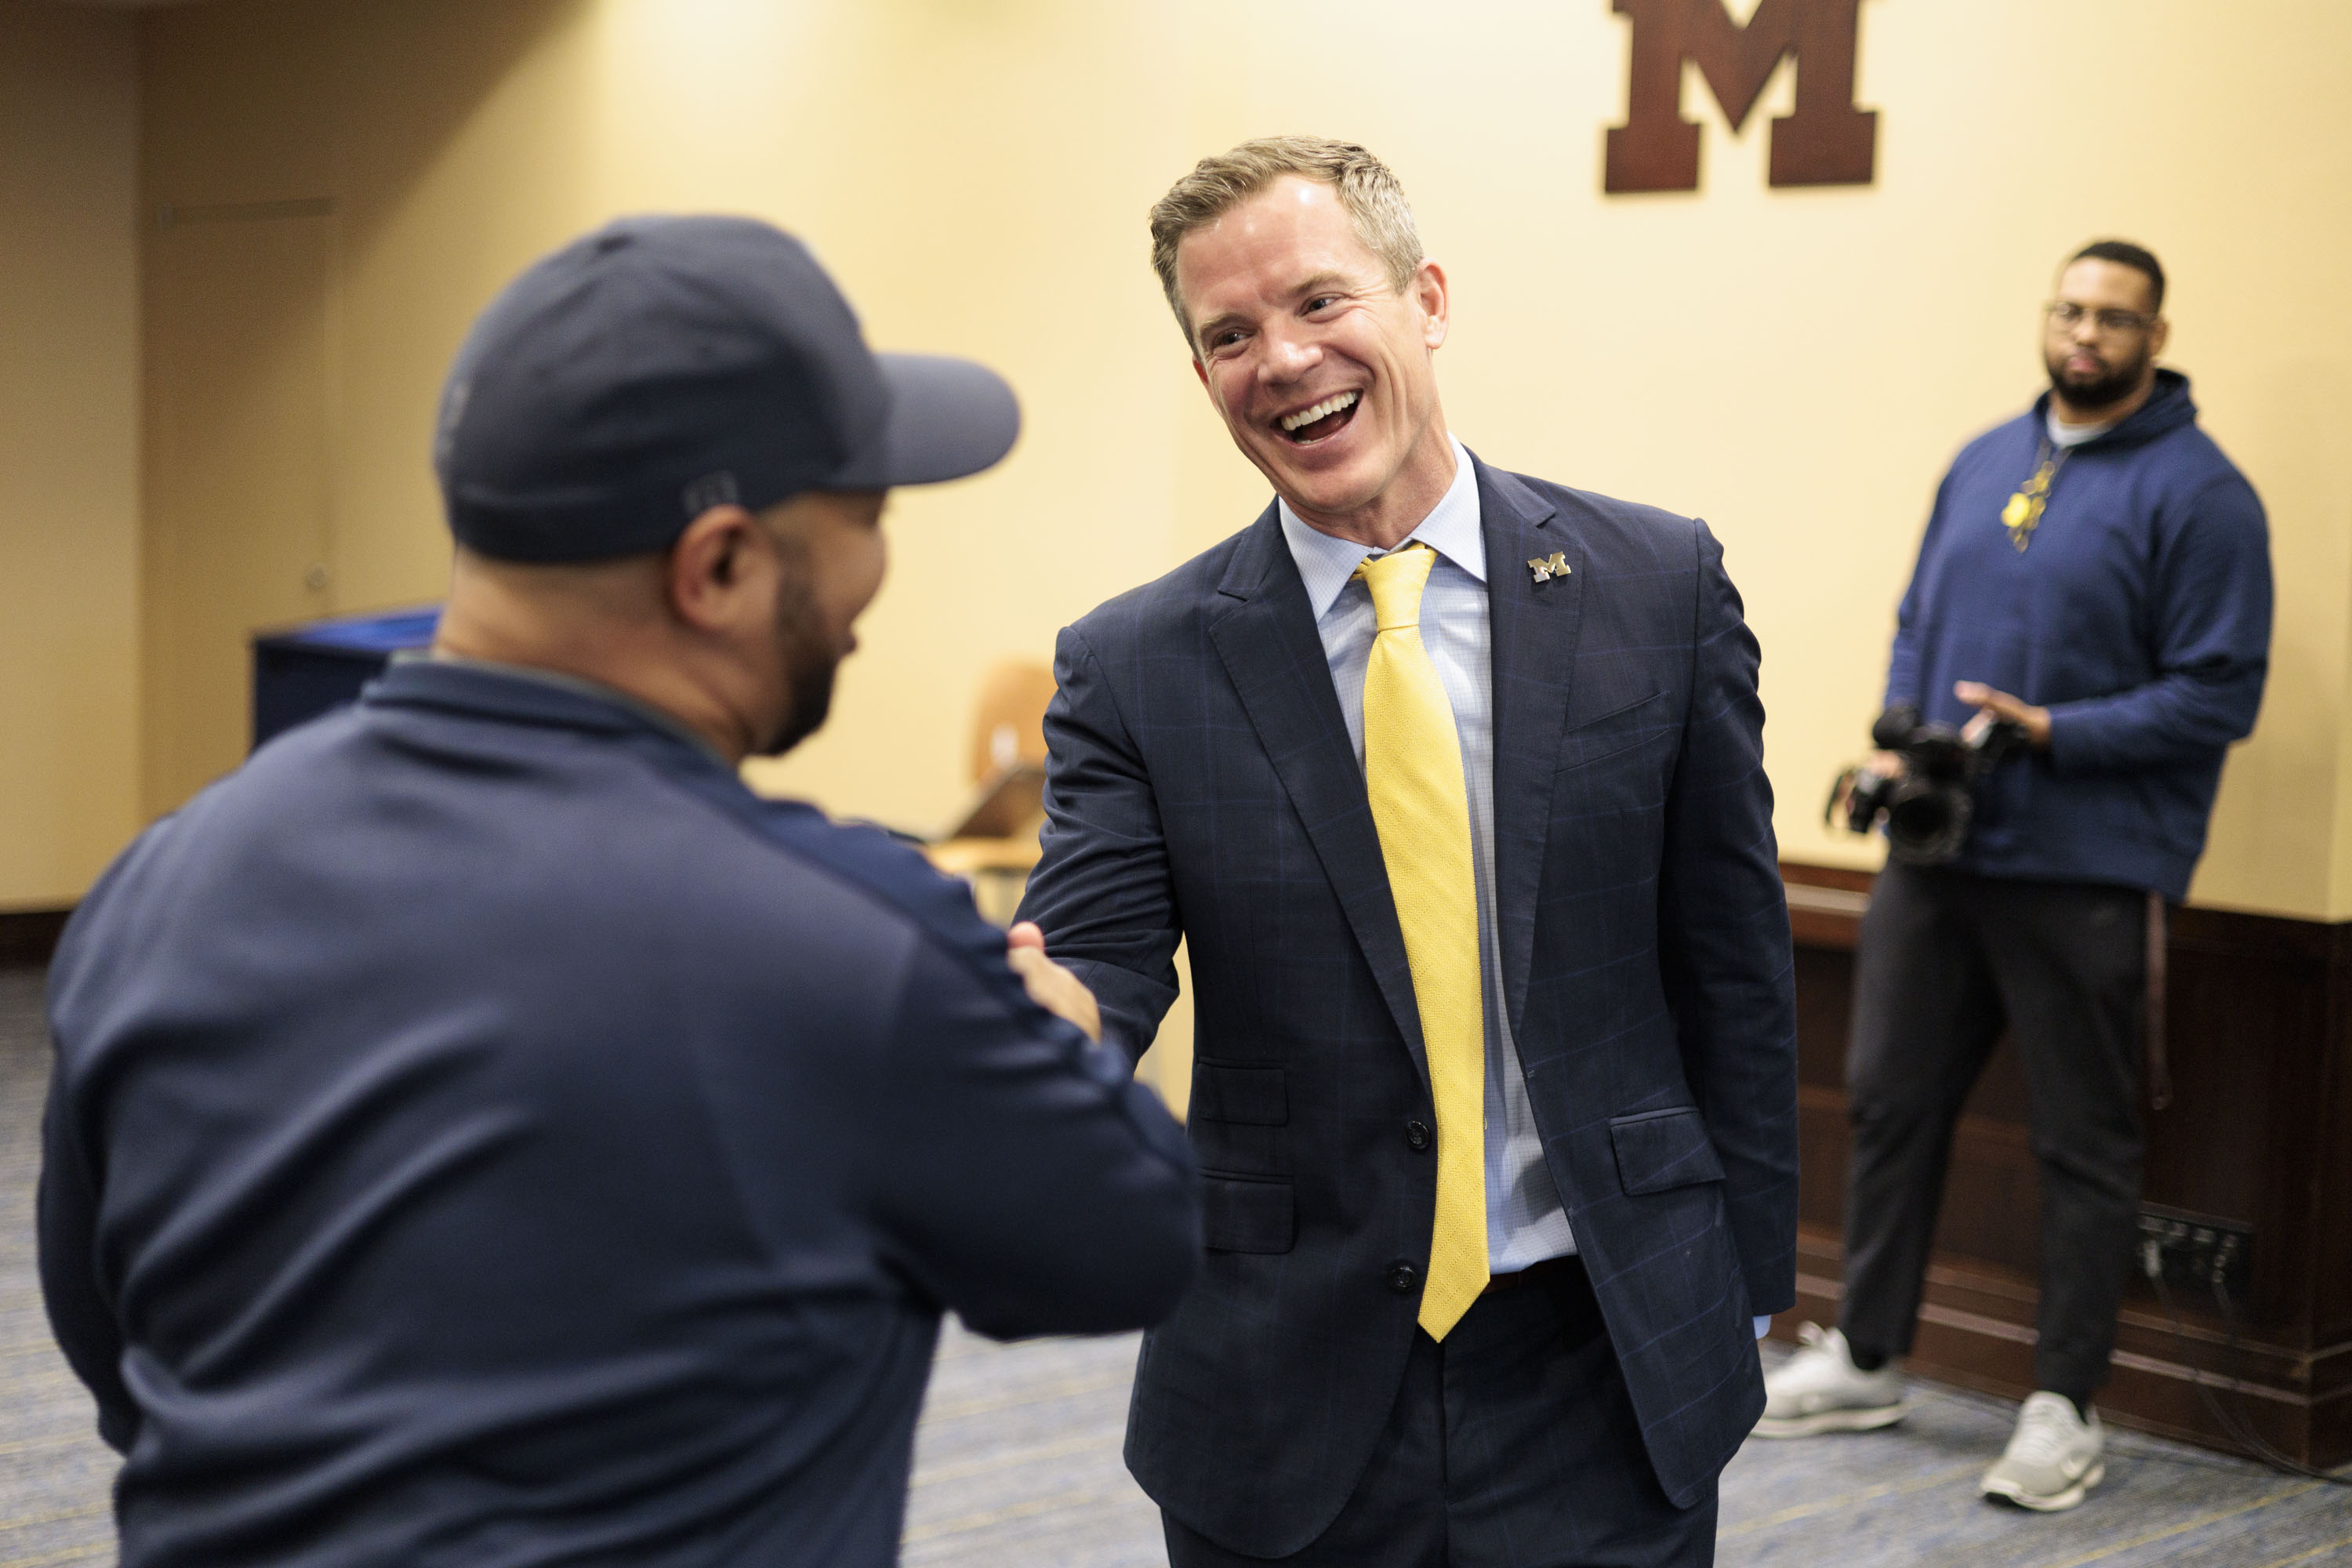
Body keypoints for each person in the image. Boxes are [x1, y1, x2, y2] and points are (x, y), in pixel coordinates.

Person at [38, 215, 1200, 1568]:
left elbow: (121, 1358)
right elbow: (1128, 1242)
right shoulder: (853, 943)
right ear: (716, 568)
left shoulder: (163, 881)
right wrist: (1055, 1033)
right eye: (866, 519)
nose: (874, 583)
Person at [1014, 136, 1798, 1566]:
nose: (1284, 359)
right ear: (1203, 379)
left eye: (1322, 302)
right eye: (1230, 335)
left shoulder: (1657, 585)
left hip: (1607, 1350)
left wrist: (1740, 1278)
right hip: (1280, 1375)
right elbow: (1100, 954)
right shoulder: (1136, 663)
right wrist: (1034, 1024)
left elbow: (1732, 962)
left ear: (1425, 297)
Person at [1760, 241, 2272, 1512]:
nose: (2086, 332)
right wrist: (1899, 724)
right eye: (2070, 309)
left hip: (2087, 868)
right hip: (1942, 856)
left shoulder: (2205, 496)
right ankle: (1867, 1354)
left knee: (2081, 1141)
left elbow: (2222, 693)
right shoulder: (1989, 458)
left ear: (2157, 334)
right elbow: (1918, 620)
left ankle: (2064, 1405)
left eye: (2114, 317)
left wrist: (2055, 731)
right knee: (1886, 1103)